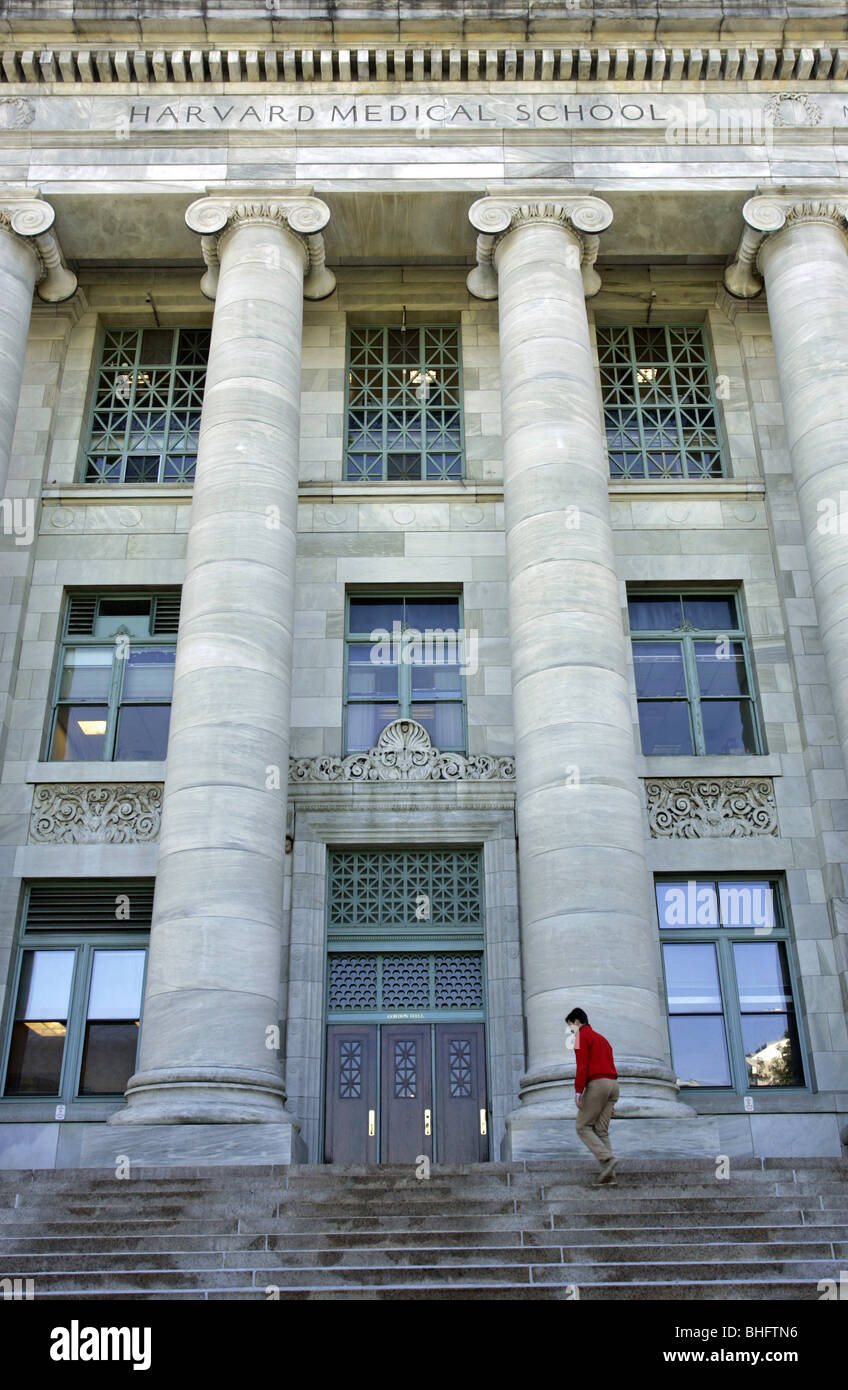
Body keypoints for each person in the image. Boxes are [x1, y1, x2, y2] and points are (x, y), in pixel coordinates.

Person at [565, 1007, 620, 1185]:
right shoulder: (603, 1039)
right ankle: (609, 1173)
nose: (570, 1030)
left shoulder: (581, 1037)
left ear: (578, 1022)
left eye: (570, 1026)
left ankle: (607, 1158)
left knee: (582, 1126)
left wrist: (578, 1091)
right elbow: (610, 1064)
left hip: (597, 1085)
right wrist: (610, 1100)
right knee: (601, 1131)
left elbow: (582, 1066)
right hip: (613, 1085)